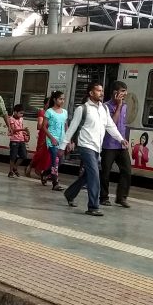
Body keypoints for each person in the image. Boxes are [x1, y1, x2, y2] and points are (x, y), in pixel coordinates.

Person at [62, 82, 130, 216]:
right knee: (94, 175)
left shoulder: (103, 109)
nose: (101, 93)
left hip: (96, 148)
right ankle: (93, 206)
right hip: (85, 146)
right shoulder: (82, 109)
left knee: (89, 175)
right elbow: (72, 128)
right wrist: (63, 145)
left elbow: (110, 126)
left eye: (102, 90)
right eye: (98, 91)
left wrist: (121, 139)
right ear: (91, 93)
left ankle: (70, 193)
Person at [101, 82, 133, 208]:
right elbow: (111, 124)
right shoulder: (105, 107)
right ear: (115, 92)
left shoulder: (125, 106)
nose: (125, 94)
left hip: (121, 145)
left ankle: (121, 197)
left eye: (125, 91)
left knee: (127, 171)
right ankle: (103, 197)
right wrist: (118, 107)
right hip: (108, 145)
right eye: (123, 91)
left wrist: (124, 139)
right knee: (105, 172)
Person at [42, 91, 67, 191]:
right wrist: (51, 138)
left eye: (63, 99)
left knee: (60, 161)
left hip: (62, 140)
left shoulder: (65, 112)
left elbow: (66, 125)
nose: (62, 101)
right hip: (52, 139)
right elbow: (44, 127)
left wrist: (68, 140)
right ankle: (55, 183)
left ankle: (45, 173)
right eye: (60, 99)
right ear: (54, 100)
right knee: (55, 161)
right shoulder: (49, 112)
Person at [29, 97, 52, 179]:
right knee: (39, 154)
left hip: (49, 135)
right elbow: (39, 126)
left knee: (46, 155)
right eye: (49, 102)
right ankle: (31, 167)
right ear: (45, 104)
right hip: (43, 136)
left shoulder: (52, 112)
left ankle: (44, 172)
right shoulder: (42, 112)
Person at [6, 104, 30, 178]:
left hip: (21, 140)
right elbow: (13, 130)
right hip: (14, 140)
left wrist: (25, 134)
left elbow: (21, 128)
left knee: (24, 156)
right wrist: (23, 130)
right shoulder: (11, 119)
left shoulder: (21, 119)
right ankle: (10, 171)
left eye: (22, 113)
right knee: (13, 156)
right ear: (15, 112)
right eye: (20, 113)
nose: (21, 115)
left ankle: (15, 167)